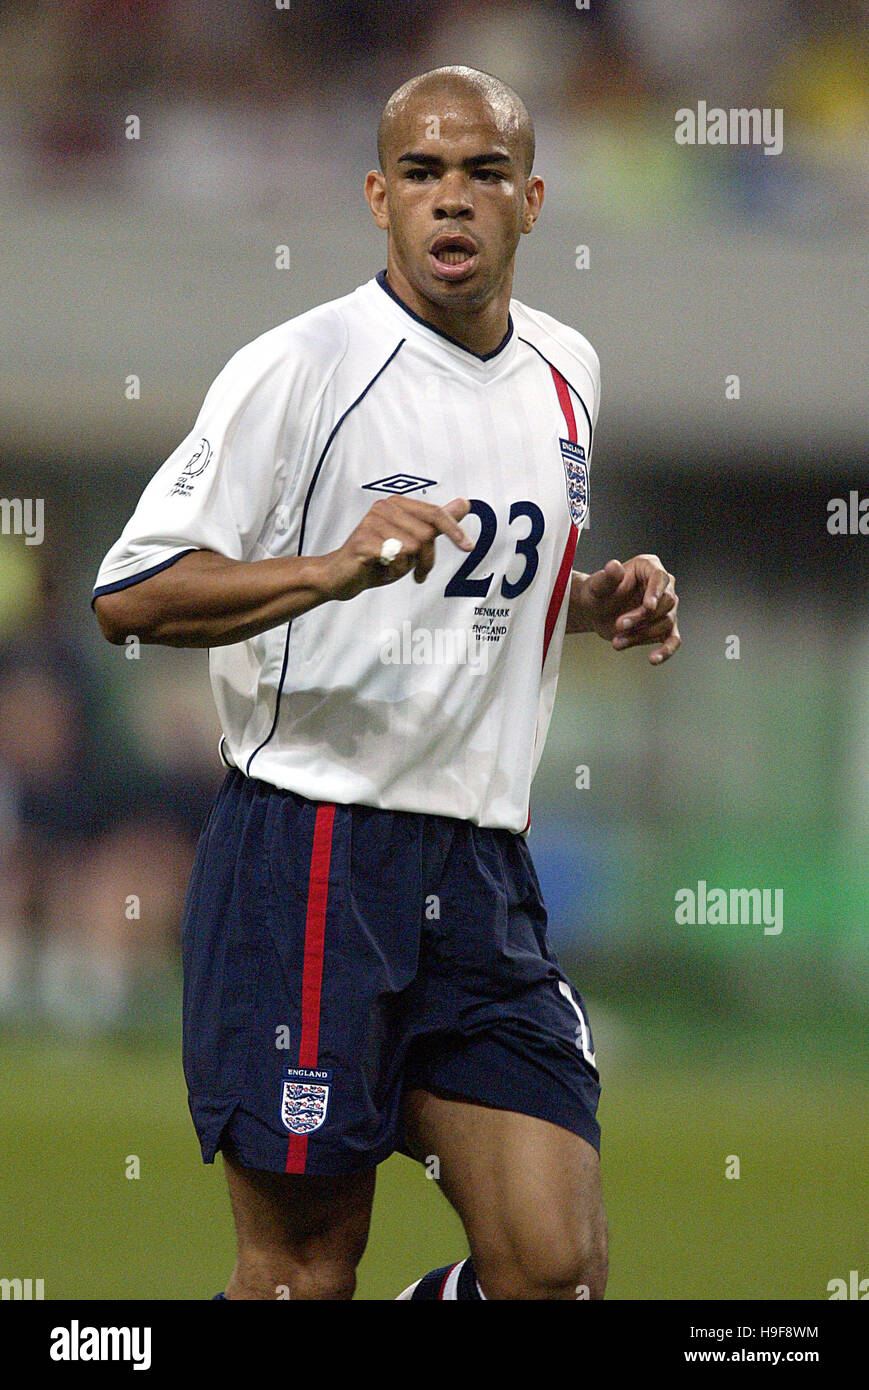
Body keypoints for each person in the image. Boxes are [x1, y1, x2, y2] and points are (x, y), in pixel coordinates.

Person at [92, 65, 680, 1301]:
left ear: (532, 199)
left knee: (552, 1271)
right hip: (309, 853)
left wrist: (590, 603)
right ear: (376, 196)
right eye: (420, 174)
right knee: (304, 1272)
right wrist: (329, 568)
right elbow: (131, 593)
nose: (448, 200)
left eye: (478, 174)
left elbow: (479, 589)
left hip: (477, 870)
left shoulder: (566, 369)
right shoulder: (304, 367)